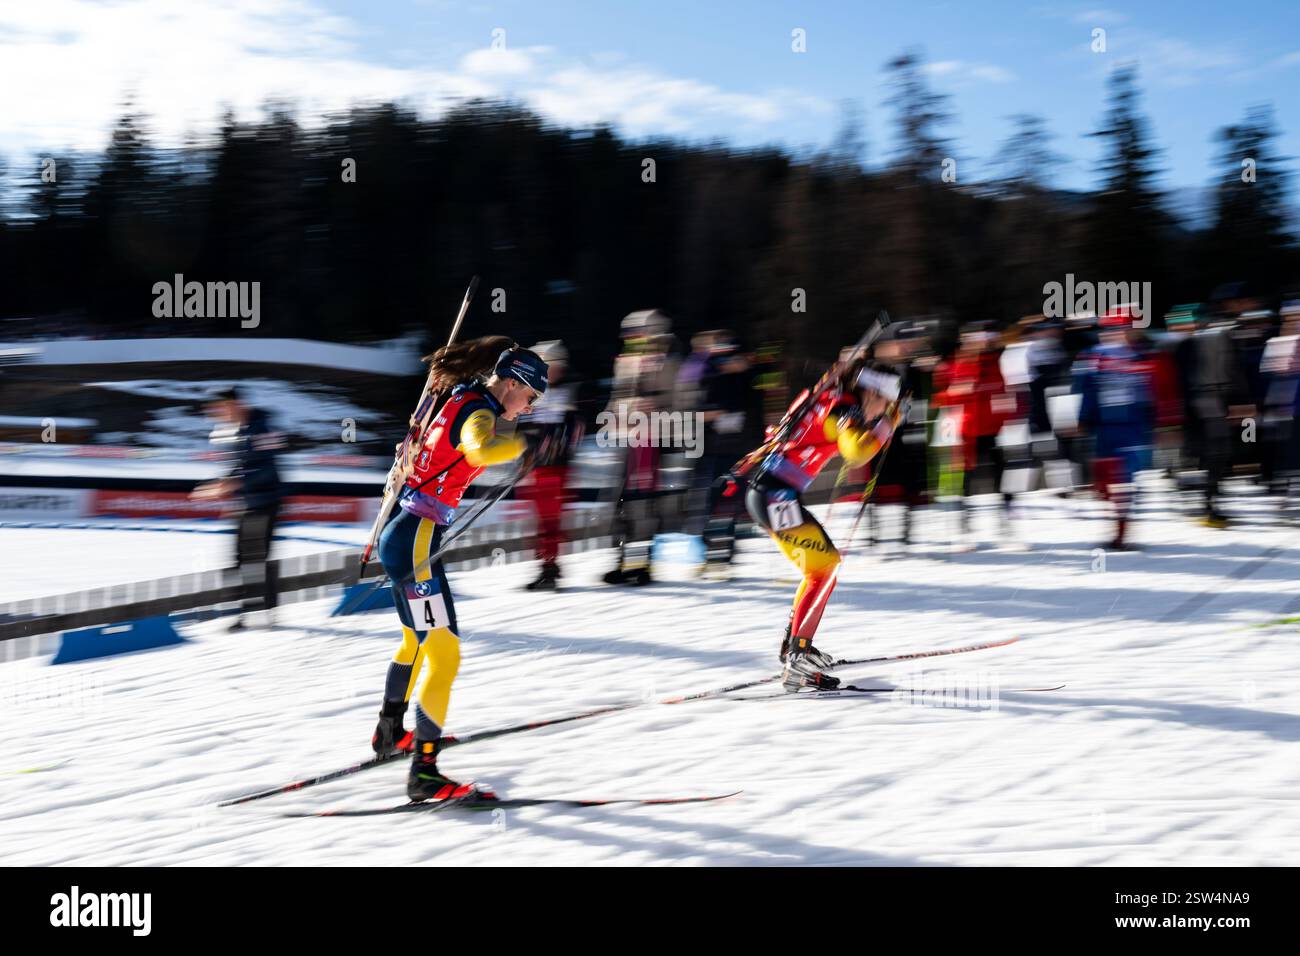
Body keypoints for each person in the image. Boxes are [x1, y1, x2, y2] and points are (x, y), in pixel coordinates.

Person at [369, 337, 548, 802]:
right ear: (512, 383)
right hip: (416, 543)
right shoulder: (479, 413)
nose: (527, 408)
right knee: (445, 656)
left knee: (416, 641)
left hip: (403, 535)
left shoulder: (462, 395)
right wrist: (521, 447)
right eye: (529, 398)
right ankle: (424, 772)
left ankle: (390, 732)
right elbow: (478, 450)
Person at [738, 355, 907, 691]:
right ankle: (797, 657)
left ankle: (796, 649)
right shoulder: (845, 408)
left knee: (822, 569)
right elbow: (856, 453)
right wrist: (888, 424)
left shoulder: (832, 398)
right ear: (872, 393)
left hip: (771, 495)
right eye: (885, 403)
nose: (882, 411)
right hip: (774, 497)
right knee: (824, 569)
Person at [191, 387, 285, 631]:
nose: (218, 414)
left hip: (267, 501)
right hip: (248, 502)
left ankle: (265, 612)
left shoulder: (264, 427)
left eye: (221, 408)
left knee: (257, 558)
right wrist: (224, 486)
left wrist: (233, 484)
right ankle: (245, 611)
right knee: (237, 559)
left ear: (235, 404)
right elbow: (241, 466)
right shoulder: (236, 431)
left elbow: (268, 468)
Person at [1071, 306, 1155, 549]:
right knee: (1106, 481)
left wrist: (1158, 422)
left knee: (1125, 480)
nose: (1134, 333)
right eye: (1129, 327)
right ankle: (1117, 522)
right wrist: (1082, 418)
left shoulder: (1141, 355)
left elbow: (1151, 392)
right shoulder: (1094, 356)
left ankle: (1121, 530)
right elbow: (1083, 390)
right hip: (1105, 428)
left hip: (1132, 426)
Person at [516, 340, 582, 591]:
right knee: (538, 521)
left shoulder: (569, 391)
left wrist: (557, 444)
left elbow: (574, 428)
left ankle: (551, 567)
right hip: (536, 466)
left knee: (551, 520)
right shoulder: (533, 392)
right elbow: (524, 425)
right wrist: (525, 453)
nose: (549, 374)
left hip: (556, 466)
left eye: (553, 368)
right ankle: (545, 566)